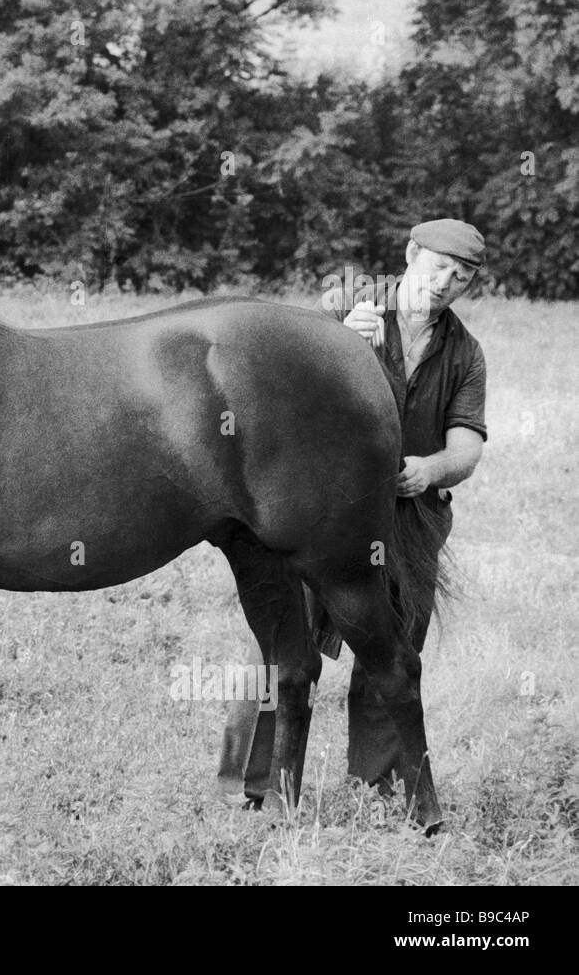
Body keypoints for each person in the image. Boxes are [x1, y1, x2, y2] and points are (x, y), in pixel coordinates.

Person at [218, 218, 488, 803]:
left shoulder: (465, 352)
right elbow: (275, 377)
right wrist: (336, 334)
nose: (446, 282)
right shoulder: (348, 304)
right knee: (281, 642)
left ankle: (378, 788)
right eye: (439, 266)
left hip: (409, 524)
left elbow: (468, 446)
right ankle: (249, 783)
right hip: (322, 509)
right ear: (412, 254)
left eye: (461, 276)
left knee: (390, 652)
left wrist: (430, 470)